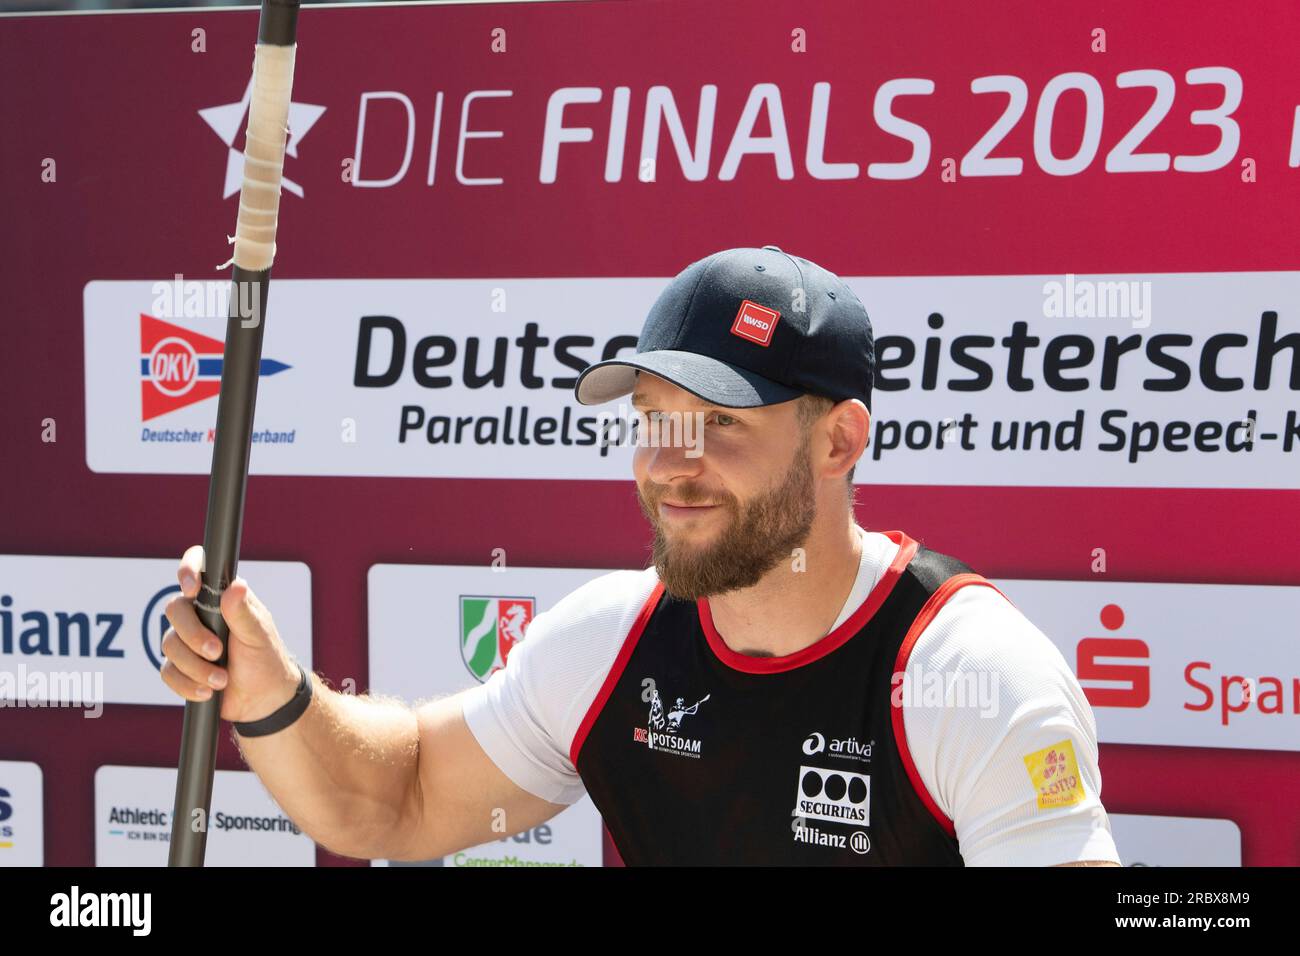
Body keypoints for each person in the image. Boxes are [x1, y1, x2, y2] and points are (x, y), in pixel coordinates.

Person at [160, 246, 1121, 866]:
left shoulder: (968, 675)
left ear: (838, 442)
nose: (673, 465)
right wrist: (274, 694)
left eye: (718, 422)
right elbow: (400, 798)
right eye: (655, 419)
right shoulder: (612, 640)